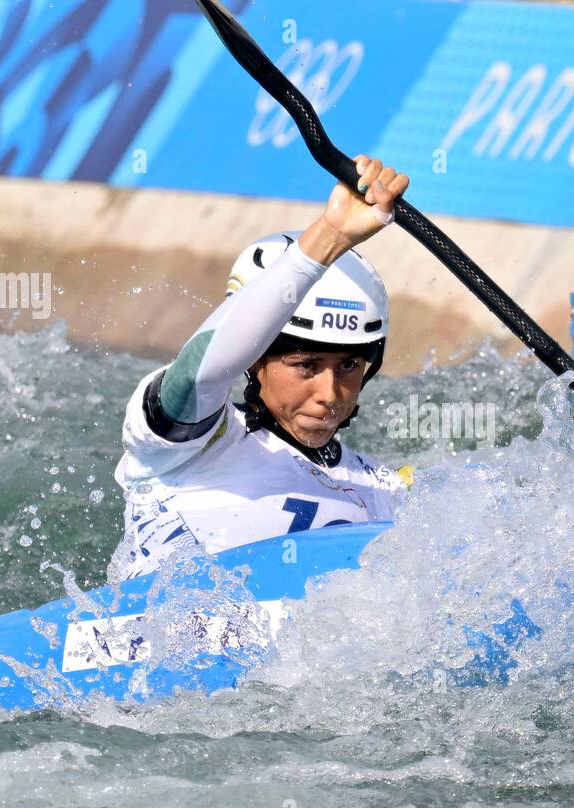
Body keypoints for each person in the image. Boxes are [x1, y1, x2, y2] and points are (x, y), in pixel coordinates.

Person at [112, 155, 412, 580]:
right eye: (306, 365)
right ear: (255, 358)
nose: (330, 393)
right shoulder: (190, 446)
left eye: (348, 365)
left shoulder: (383, 490)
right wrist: (331, 236)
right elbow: (202, 371)